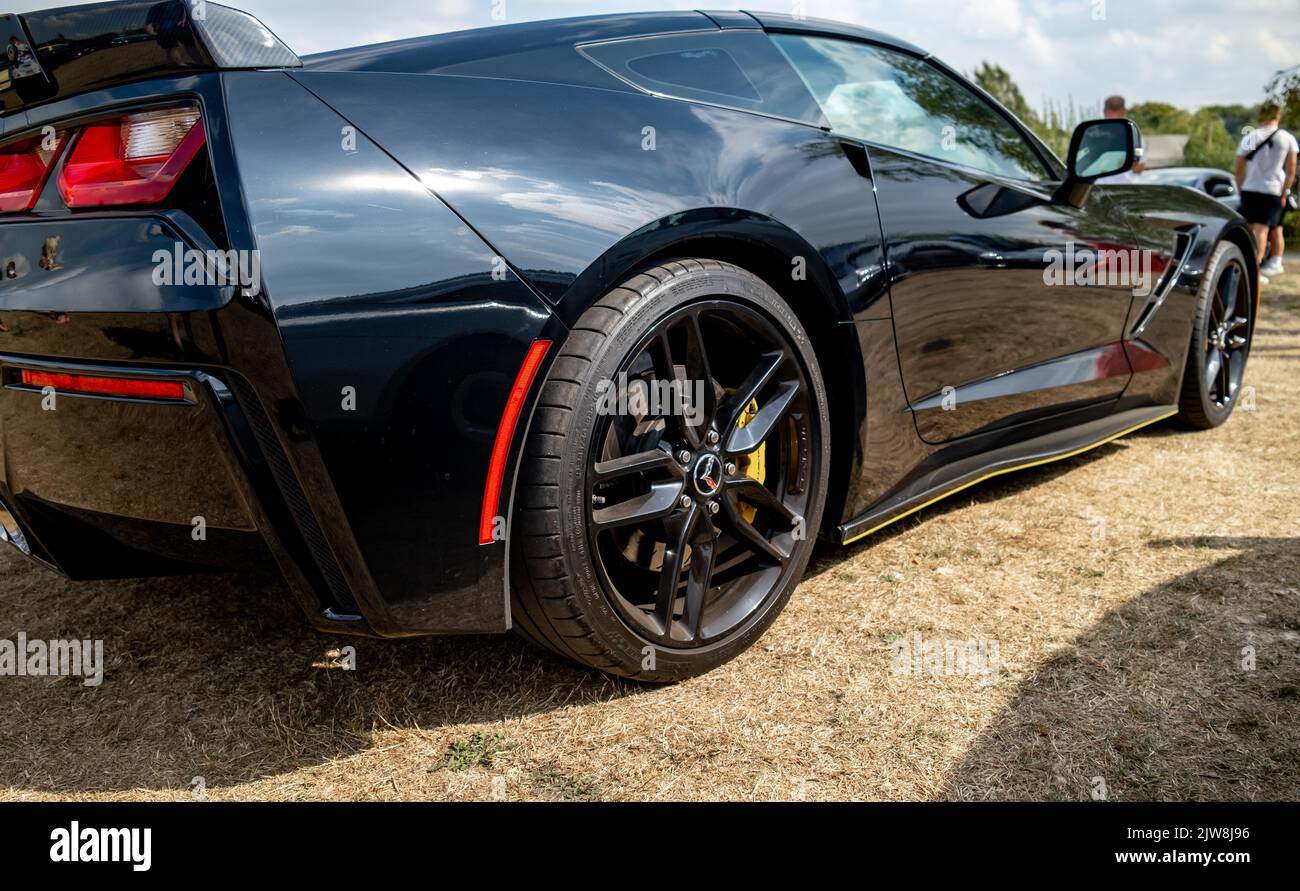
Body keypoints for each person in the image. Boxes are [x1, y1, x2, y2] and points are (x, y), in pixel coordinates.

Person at [1235, 102, 1298, 282]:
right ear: (1278, 116)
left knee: (1254, 228)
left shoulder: (1251, 136)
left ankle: (1254, 266)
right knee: (1266, 229)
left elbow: (1239, 167)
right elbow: (1291, 169)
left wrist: (1240, 187)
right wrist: (1285, 191)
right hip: (1273, 189)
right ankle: (1259, 268)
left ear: (1261, 116)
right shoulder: (1287, 138)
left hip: (1250, 188)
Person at [1095, 95, 1145, 185]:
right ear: (1124, 112)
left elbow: (1138, 165)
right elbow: (1138, 166)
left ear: (1105, 112)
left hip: (1099, 189)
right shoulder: (1135, 137)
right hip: (1125, 189)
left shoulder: (1093, 135)